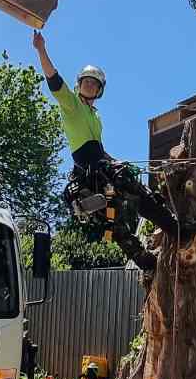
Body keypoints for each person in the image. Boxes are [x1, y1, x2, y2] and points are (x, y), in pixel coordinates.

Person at [32, 31, 182, 279]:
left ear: (99, 90)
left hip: (101, 165)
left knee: (138, 191)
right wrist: (41, 49)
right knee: (113, 222)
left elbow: (99, 149)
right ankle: (146, 261)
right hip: (87, 171)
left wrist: (116, 161)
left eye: (94, 83)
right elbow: (54, 80)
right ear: (79, 84)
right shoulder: (71, 105)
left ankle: (173, 228)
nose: (90, 85)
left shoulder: (95, 116)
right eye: (86, 82)